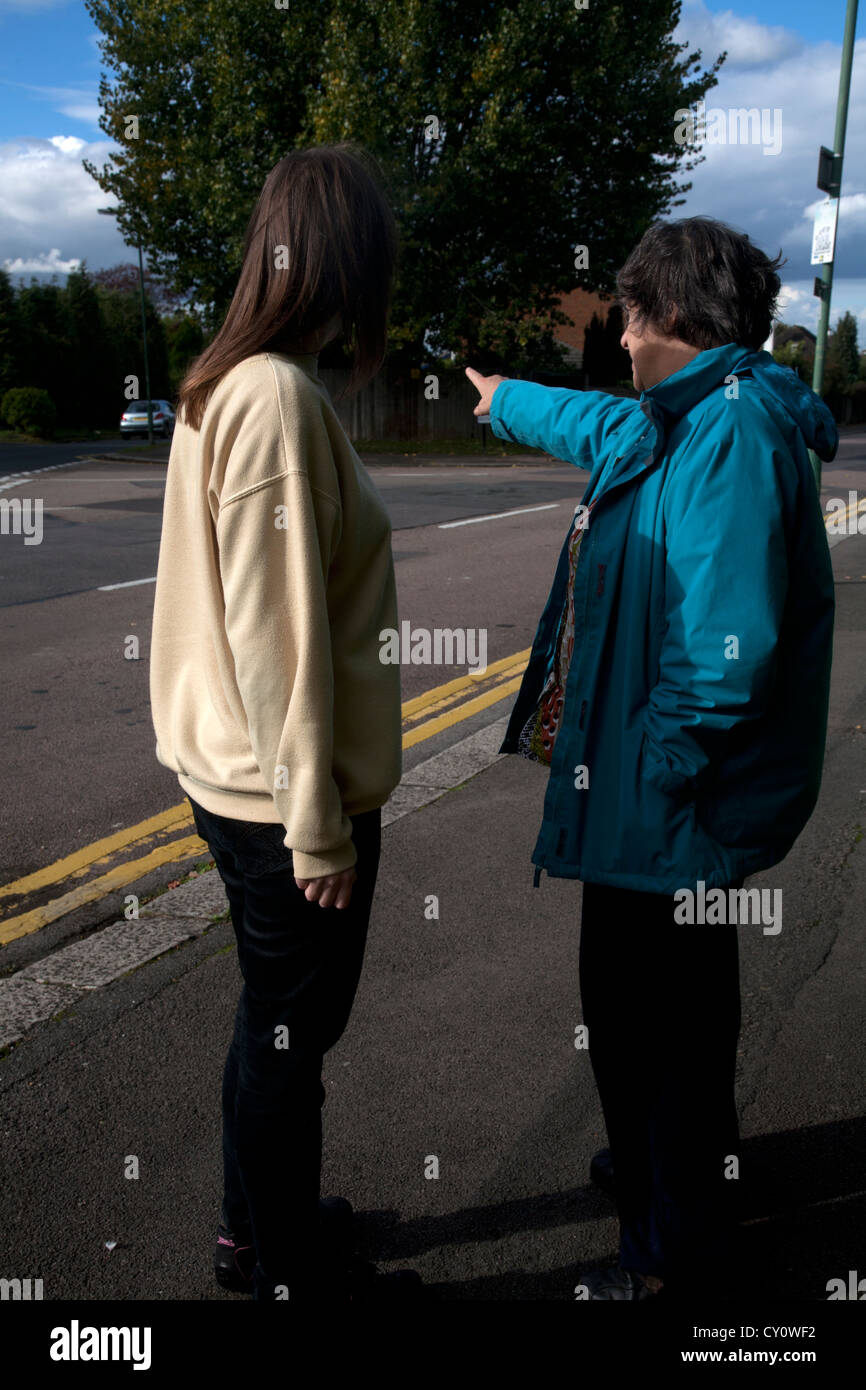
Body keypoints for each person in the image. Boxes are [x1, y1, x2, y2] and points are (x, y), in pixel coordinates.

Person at [466, 216, 837, 1300]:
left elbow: (724, 654)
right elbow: (591, 424)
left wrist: (650, 772)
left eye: (629, 316)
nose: (619, 339)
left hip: (667, 814)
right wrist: (502, 402)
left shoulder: (724, 436)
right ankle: (669, 1176)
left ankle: (670, 1250)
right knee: (661, 1019)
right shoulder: (680, 417)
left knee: (654, 1033)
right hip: (653, 809)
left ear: (672, 316)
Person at [149, 144, 420, 1302]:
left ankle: (254, 1231)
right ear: (346, 261)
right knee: (285, 1041)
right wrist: (318, 830)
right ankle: (288, 1274)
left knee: (273, 1032)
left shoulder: (238, 379)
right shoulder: (268, 395)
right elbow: (278, 638)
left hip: (241, 784)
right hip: (283, 806)